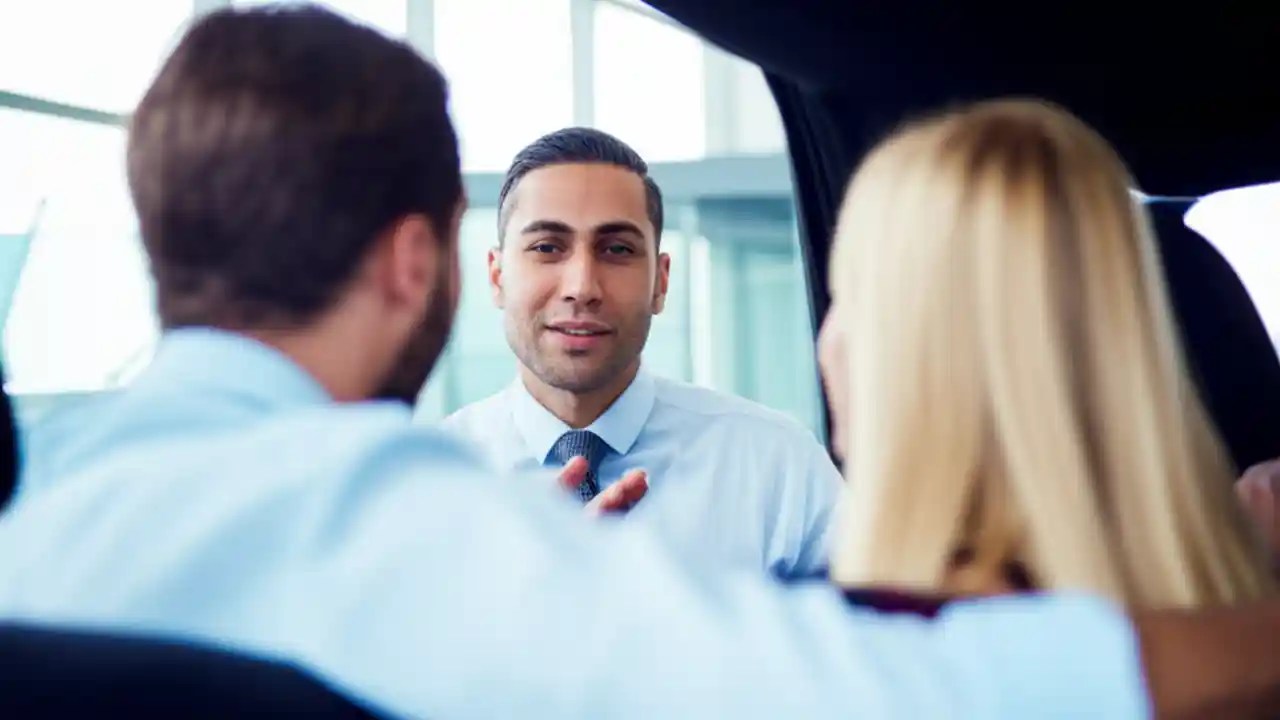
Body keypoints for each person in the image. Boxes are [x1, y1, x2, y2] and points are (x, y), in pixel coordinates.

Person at [0, 7, 1278, 719]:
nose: (577, 285)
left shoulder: (29, 503)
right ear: (424, 267)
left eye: (614, 249)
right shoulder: (438, 539)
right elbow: (940, 690)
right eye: (537, 245)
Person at [814, 99, 1276, 606]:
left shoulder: (865, 660)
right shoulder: (1233, 613)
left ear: (921, 358)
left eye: (853, 296)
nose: (829, 341)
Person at [440, 127, 841, 578]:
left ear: (661, 282)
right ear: (497, 277)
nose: (582, 288)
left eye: (617, 249)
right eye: (547, 247)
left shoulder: (777, 470)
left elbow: (880, 640)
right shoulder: (430, 489)